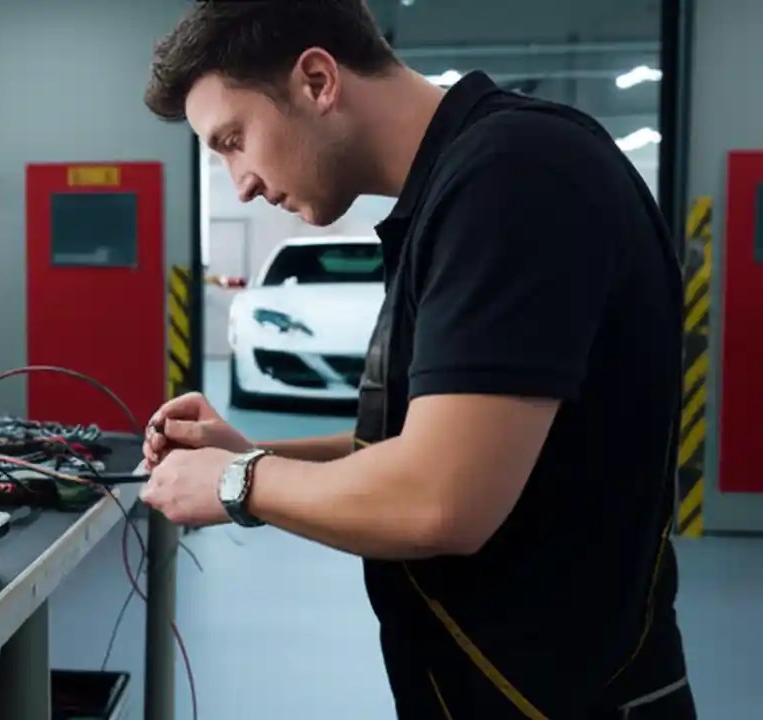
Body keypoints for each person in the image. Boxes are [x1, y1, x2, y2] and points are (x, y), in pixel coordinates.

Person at [138, 2, 696, 718]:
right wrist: (255, 451)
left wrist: (239, 482)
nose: (239, 180)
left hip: (563, 696)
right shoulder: (458, 189)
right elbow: (426, 444)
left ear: (316, 80)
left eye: (234, 138)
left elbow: (439, 499)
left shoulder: (514, 176)